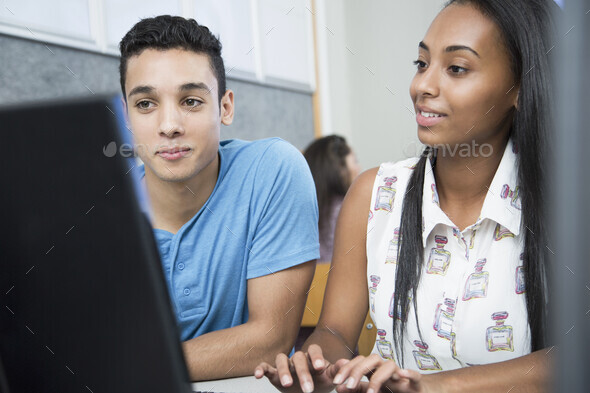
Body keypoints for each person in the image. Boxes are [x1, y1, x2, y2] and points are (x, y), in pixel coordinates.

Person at [255, 0, 556, 392]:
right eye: (421, 63)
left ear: (519, 87)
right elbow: (334, 332)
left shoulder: (566, 202)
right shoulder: (373, 194)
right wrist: (317, 365)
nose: (422, 86)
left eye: (456, 68)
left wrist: (428, 387)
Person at [118, 15, 319, 381]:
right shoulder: (100, 206)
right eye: (145, 104)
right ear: (126, 115)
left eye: (191, 100)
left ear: (225, 107)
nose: (169, 125)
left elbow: (269, 340)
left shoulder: (272, 170)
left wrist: (131, 365)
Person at [303, 135, 361, 262]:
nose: (359, 169)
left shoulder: (303, 212)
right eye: (355, 161)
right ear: (340, 169)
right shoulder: (346, 209)